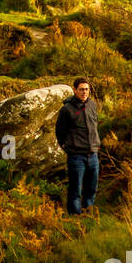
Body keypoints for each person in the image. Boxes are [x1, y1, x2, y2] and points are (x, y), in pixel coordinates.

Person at [55, 77, 101, 216]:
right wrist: (68, 148)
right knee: (75, 191)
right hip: (76, 157)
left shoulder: (92, 105)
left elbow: (95, 126)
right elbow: (59, 132)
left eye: (86, 89)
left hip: (93, 155)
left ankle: (88, 216)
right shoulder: (66, 109)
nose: (84, 92)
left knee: (91, 189)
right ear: (74, 90)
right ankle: (75, 219)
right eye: (81, 89)